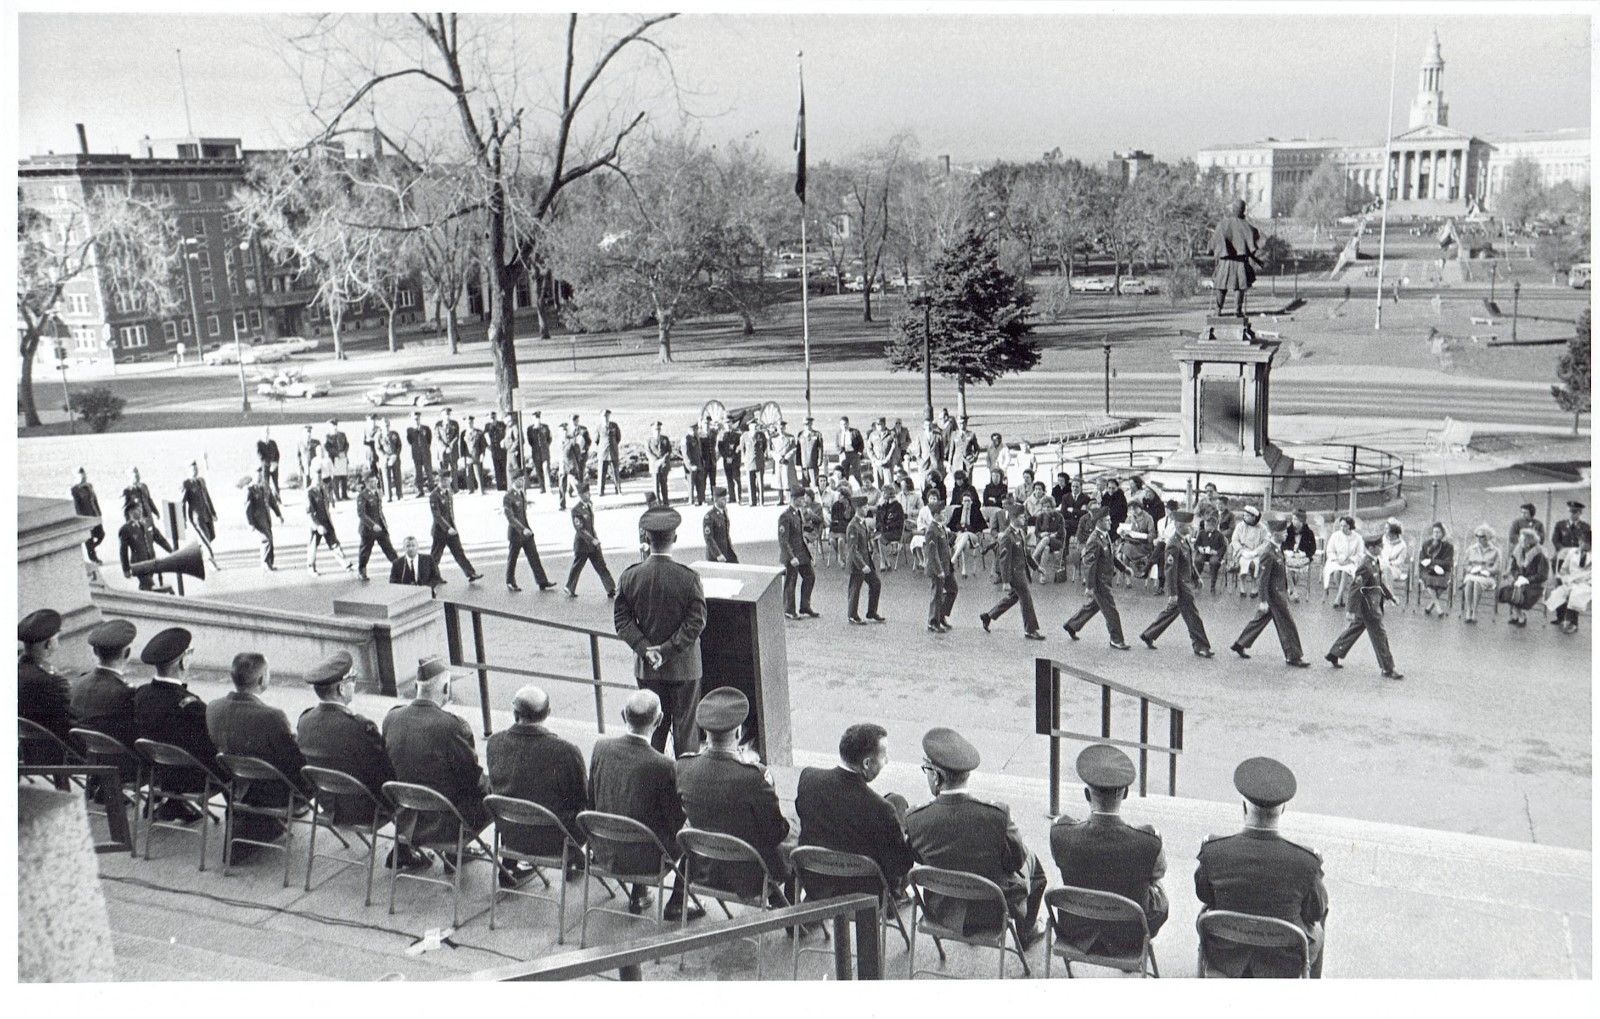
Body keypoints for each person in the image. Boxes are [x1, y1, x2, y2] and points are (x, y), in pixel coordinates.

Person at [906, 727, 1046, 947]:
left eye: (927, 770)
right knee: (1032, 861)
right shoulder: (996, 816)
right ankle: (1027, 931)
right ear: (968, 774)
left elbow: (917, 857)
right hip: (992, 911)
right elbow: (1015, 861)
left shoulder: (915, 819)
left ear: (936, 775)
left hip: (942, 910)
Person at [1195, 757, 1329, 978]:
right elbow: (1315, 912)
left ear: (1244, 806)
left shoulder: (1214, 851)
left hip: (1226, 954)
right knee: (1320, 920)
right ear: (1283, 809)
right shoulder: (1306, 862)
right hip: (1281, 961)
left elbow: (1204, 895)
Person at [1049, 744, 1169, 957]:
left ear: (1087, 794)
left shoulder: (1060, 833)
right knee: (1160, 897)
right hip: (1129, 936)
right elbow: (1158, 874)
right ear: (1125, 794)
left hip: (1076, 932)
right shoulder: (1148, 841)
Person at [589, 690, 699, 919]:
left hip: (604, 850)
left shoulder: (600, 748)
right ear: (659, 721)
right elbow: (676, 822)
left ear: (622, 715)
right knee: (693, 833)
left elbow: (592, 800)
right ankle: (678, 899)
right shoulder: (664, 765)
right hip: (647, 860)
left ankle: (638, 893)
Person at [676, 688, 793, 902]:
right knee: (795, 836)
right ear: (738, 734)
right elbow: (775, 832)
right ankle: (788, 913)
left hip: (704, 869)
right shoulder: (754, 776)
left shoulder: (684, 766)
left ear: (706, 733)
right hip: (750, 877)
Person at [614, 505, 707, 756]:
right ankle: (684, 782)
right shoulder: (688, 578)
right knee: (686, 730)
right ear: (674, 538)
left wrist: (646, 649)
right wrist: (667, 651)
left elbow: (621, 620)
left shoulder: (631, 576)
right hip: (684, 667)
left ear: (647, 538)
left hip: (647, 668)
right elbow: (696, 622)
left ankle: (651, 779)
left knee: (651, 729)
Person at [383, 657, 492, 866]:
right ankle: (457, 852)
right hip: (445, 824)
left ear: (416, 687)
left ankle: (405, 850)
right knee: (493, 793)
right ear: (445, 687)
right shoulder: (452, 726)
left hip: (407, 818)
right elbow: (472, 781)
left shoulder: (392, 718)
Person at [795, 723, 915, 898]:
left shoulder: (809, 778)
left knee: (895, 800)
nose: (887, 760)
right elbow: (901, 866)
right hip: (864, 895)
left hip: (817, 882)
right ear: (866, 763)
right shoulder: (881, 809)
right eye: (884, 756)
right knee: (897, 803)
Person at [296, 651, 403, 842]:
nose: (355, 684)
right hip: (367, 811)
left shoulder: (304, 721)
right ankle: (404, 848)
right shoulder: (359, 727)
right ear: (342, 689)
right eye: (352, 679)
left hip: (329, 807)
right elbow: (386, 773)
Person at [207, 652, 308, 842]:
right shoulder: (272, 716)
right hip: (271, 793)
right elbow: (296, 763)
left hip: (235, 785)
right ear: (262, 680)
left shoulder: (213, 707)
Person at [486, 686, 588, 871]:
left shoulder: (494, 742)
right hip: (555, 840)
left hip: (511, 834)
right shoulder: (565, 751)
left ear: (515, 712)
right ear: (547, 713)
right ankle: (575, 861)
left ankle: (509, 865)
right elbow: (581, 798)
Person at [134, 627, 218, 818]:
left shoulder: (141, 694)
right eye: (189, 653)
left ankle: (174, 804)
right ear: (183, 661)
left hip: (158, 772)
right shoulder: (191, 706)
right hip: (192, 779)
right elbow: (210, 748)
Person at [1231, 517, 1312, 667]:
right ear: (1274, 534)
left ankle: (1240, 643)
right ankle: (1293, 656)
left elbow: (1281, 573)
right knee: (1288, 625)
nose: (1286, 534)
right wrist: (1262, 601)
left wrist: (1289, 589)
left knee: (1259, 621)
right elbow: (1262, 579)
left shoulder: (1275, 549)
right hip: (1274, 596)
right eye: (1283, 532)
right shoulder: (1268, 552)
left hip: (1277, 593)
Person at [1326, 532, 1402, 679]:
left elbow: (1379, 584)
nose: (1382, 547)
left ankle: (1334, 653)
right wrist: (1350, 610)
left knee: (1354, 630)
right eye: (1380, 546)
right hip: (1368, 607)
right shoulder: (1365, 565)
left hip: (1371, 605)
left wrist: (1391, 597)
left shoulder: (1375, 562)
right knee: (1380, 636)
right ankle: (1388, 668)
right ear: (1371, 548)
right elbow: (1355, 588)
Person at [1140, 510, 1214, 657]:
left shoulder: (1184, 540)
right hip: (1181, 586)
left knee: (1171, 612)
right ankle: (1200, 646)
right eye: (1189, 525)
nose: (1191, 528)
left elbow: (1189, 563)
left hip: (1185, 583)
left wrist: (1197, 577)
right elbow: (1170, 571)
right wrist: (1172, 593)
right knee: (1193, 616)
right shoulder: (1173, 544)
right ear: (1180, 525)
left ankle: (1148, 634)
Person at [71, 619, 141, 776]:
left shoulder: (78, 682)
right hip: (119, 765)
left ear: (95, 652)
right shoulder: (126, 692)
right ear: (127, 653)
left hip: (85, 755)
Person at [1065, 508, 1129, 649]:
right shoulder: (1094, 540)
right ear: (1099, 522)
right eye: (1107, 520)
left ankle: (1072, 625)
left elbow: (1111, 557)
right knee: (1111, 610)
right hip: (1099, 581)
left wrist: (1124, 568)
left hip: (1105, 578)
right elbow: (1089, 565)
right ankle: (1116, 639)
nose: (1110, 522)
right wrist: (1089, 586)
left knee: (1094, 606)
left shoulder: (1104, 535)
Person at [19, 609, 77, 762]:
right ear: (48, 644)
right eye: (57, 638)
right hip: (52, 750)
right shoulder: (52, 681)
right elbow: (71, 719)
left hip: (22, 747)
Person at [980, 509, 1046, 640]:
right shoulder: (1007, 536)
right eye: (1021, 516)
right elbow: (1004, 560)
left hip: (1021, 571)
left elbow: (1026, 553)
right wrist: (1005, 581)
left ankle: (988, 616)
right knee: (1026, 600)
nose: (1024, 519)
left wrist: (1037, 567)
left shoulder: (1020, 532)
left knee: (1013, 597)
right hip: (1014, 574)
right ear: (1013, 518)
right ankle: (1030, 630)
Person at [499, 470, 555, 594]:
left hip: (527, 532)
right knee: (512, 558)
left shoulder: (522, 494)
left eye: (523, 480)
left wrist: (526, 529)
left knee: (534, 557)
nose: (522, 482)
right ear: (514, 481)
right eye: (520, 480)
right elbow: (510, 517)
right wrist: (522, 529)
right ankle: (510, 581)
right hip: (516, 533)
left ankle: (542, 581)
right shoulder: (508, 496)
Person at [1209, 197, 1264, 318]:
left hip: (1225, 261)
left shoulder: (1222, 225)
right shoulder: (1248, 227)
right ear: (1243, 210)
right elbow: (1252, 245)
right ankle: (1237, 310)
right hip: (1239, 262)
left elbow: (1213, 244)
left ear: (1233, 210)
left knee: (1221, 286)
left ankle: (1218, 310)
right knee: (1239, 286)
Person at [564, 485, 615, 598]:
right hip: (582, 544)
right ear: (581, 495)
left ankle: (611, 588)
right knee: (577, 567)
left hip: (593, 544)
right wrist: (592, 540)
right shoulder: (576, 510)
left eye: (589, 492)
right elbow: (580, 529)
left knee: (601, 565)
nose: (589, 495)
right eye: (586, 493)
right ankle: (569, 587)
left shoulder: (589, 505)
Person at [428, 475, 481, 582]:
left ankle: (471, 573)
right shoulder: (434, 495)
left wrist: (452, 527)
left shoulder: (448, 492)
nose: (448, 482)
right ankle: (430, 577)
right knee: (435, 557)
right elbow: (437, 515)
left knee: (459, 552)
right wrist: (448, 528)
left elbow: (450, 513)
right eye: (445, 480)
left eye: (449, 479)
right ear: (440, 480)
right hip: (440, 531)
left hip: (451, 530)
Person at [779, 487, 819, 620]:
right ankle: (789, 609)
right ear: (794, 499)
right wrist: (791, 557)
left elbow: (800, 534)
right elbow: (783, 540)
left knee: (810, 577)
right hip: (792, 555)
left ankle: (805, 605)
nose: (803, 501)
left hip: (801, 553)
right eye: (801, 499)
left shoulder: (798, 513)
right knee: (791, 581)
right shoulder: (785, 516)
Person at [1497, 527, 1549, 627]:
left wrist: (1526, 580)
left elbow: (1542, 575)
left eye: (1521, 540)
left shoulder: (1540, 554)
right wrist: (1517, 576)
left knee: (1518, 594)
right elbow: (1513, 568)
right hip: (1519, 582)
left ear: (1528, 542)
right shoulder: (1519, 551)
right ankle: (1518, 615)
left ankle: (1520, 616)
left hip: (1534, 585)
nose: (1519, 542)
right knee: (1507, 592)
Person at [305, 471, 354, 575]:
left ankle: (345, 564)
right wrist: (317, 526)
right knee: (313, 545)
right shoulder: (309, 492)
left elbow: (326, 504)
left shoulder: (322, 489)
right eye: (317, 479)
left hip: (326, 521)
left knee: (334, 543)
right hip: (316, 524)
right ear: (312, 478)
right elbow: (309, 512)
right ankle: (311, 567)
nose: (319, 481)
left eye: (320, 478)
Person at [922, 493, 957, 632]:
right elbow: (932, 553)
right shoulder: (931, 530)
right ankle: (933, 621)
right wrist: (939, 570)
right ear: (936, 514)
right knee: (936, 594)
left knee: (953, 590)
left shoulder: (941, 527)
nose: (945, 515)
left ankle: (941, 615)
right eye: (942, 513)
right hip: (938, 568)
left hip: (946, 567)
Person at [119, 503, 175, 589]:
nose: (140, 511)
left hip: (151, 561)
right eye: (137, 509)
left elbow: (160, 539)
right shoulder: (126, 529)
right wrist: (125, 569)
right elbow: (123, 551)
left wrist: (172, 551)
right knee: (149, 585)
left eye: (141, 508)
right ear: (130, 512)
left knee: (146, 587)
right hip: (139, 564)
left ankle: (142, 598)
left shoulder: (148, 523)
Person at [845, 505, 885, 625]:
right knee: (855, 588)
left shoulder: (862, 523)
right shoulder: (853, 525)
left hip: (866, 560)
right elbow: (853, 550)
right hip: (857, 563)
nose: (867, 508)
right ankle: (852, 615)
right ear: (858, 509)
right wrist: (862, 565)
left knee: (876, 583)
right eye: (864, 507)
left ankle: (872, 611)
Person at [355, 475, 398, 582]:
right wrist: (372, 525)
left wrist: (383, 523)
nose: (375, 483)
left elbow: (379, 510)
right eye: (373, 481)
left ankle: (399, 567)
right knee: (365, 551)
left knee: (389, 549)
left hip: (380, 527)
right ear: (367, 482)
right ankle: (362, 571)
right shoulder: (362, 496)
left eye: (376, 481)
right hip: (368, 530)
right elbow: (361, 514)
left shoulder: (377, 493)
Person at [1545, 537, 1592, 634]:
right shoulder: (1571, 552)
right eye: (1583, 542)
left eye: (1587, 543)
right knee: (1560, 592)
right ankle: (1561, 618)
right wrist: (1565, 578)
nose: (1584, 545)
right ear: (1580, 541)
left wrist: (1587, 581)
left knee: (1576, 594)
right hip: (1570, 580)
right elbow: (1564, 569)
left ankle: (1572, 623)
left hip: (1586, 583)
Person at [1460, 523, 1502, 623]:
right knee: (1470, 581)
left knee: (1477, 583)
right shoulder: (1471, 549)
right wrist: (1471, 569)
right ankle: (1469, 609)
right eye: (1477, 536)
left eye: (1482, 536)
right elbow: (1465, 563)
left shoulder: (1495, 551)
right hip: (1473, 574)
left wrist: (1487, 571)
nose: (1479, 539)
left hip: (1487, 576)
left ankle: (1474, 611)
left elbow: (1497, 567)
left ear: (1488, 537)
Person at [1417, 522, 1455, 616]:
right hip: (1427, 570)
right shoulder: (1426, 544)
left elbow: (1448, 563)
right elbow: (1422, 559)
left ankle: (1430, 605)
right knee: (1428, 580)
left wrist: (1432, 562)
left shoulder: (1448, 547)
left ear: (1443, 533)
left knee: (1443, 581)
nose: (1436, 534)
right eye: (1434, 532)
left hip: (1443, 570)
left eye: (1438, 532)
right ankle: (1438, 607)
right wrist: (1429, 564)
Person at [244, 477, 282, 572]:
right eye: (258, 475)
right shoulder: (250, 490)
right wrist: (250, 523)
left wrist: (279, 515)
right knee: (266, 540)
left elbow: (272, 502)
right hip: (257, 521)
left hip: (266, 520)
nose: (260, 478)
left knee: (270, 541)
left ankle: (269, 563)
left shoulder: (265, 488)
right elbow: (247, 508)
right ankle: (265, 563)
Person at [1322, 515, 1362, 607]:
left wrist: (1350, 560)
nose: (1342, 528)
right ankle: (1341, 597)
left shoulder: (1357, 538)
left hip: (1350, 562)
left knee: (1344, 572)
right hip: (1337, 560)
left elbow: (1360, 554)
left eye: (1345, 526)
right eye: (1341, 526)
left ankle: (1338, 598)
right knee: (1336, 572)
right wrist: (1337, 559)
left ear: (1350, 526)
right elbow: (1330, 550)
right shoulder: (1335, 536)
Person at [947, 489, 987, 580]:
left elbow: (983, 525)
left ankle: (953, 559)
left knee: (966, 535)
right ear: (961, 502)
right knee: (965, 543)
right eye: (965, 501)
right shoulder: (957, 511)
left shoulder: (976, 511)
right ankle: (964, 569)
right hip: (960, 535)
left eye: (968, 501)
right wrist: (959, 527)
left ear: (972, 501)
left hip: (973, 536)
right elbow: (950, 525)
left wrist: (970, 528)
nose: (967, 503)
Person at [1230, 505, 1269, 598]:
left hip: (1256, 552)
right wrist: (1241, 550)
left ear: (1254, 517)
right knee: (1243, 562)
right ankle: (1242, 584)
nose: (1245, 517)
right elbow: (1234, 540)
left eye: (1247, 516)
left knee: (1254, 564)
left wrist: (1256, 552)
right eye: (1244, 515)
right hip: (1242, 551)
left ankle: (1254, 585)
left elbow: (1266, 542)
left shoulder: (1262, 528)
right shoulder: (1240, 526)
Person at [71, 467, 106, 563]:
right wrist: (83, 520)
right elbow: (77, 506)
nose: (83, 477)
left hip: (95, 515)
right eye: (80, 475)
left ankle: (92, 549)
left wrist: (99, 513)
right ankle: (93, 558)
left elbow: (95, 500)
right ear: (76, 476)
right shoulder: (74, 490)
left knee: (101, 535)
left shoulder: (89, 486)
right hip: (86, 518)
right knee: (89, 539)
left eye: (84, 474)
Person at [1194, 511, 1228, 594]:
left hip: (1214, 554)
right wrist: (1199, 548)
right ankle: (1196, 582)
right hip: (1203, 553)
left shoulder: (1219, 535)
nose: (1204, 527)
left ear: (1212, 526)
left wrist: (1216, 552)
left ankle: (1213, 585)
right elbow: (1196, 544)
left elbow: (1224, 547)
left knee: (1214, 562)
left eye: (1206, 525)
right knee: (1197, 561)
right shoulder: (1202, 533)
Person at [703, 487, 737, 563]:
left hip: (727, 551)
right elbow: (709, 538)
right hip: (716, 556)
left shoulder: (724, 511)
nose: (725, 501)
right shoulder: (709, 516)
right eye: (722, 499)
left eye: (725, 499)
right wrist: (718, 555)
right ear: (715, 500)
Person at [877, 485, 906, 570]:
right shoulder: (883, 505)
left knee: (879, 538)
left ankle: (883, 561)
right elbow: (879, 520)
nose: (882, 495)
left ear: (888, 494)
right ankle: (887, 562)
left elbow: (899, 523)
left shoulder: (897, 506)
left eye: (883, 493)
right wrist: (881, 507)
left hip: (895, 532)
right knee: (877, 536)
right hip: (884, 531)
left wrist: (886, 527)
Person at [406, 410, 434, 497]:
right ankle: (420, 491)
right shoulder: (409, 430)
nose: (416, 420)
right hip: (416, 454)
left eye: (417, 418)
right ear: (411, 419)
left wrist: (424, 448)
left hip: (425, 453)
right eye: (414, 419)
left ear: (419, 418)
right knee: (418, 473)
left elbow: (429, 440)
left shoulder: (426, 428)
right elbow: (410, 441)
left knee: (429, 471)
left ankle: (432, 489)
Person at [645, 420, 673, 506]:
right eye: (656, 429)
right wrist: (657, 461)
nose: (657, 431)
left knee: (664, 485)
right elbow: (648, 453)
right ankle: (658, 502)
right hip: (654, 466)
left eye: (659, 429)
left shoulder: (665, 439)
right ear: (652, 430)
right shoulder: (648, 441)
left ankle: (666, 502)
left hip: (664, 466)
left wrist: (664, 459)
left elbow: (669, 450)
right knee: (655, 486)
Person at [742, 420, 768, 507]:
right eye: (752, 426)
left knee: (760, 483)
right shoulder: (745, 436)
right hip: (749, 462)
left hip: (759, 461)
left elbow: (764, 446)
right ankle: (752, 502)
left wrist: (761, 456)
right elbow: (743, 449)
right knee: (750, 483)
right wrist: (745, 459)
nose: (754, 427)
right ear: (749, 427)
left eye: (755, 425)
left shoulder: (761, 435)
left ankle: (761, 501)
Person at [526, 410, 553, 495]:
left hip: (545, 452)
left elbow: (549, 439)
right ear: (533, 418)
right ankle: (542, 487)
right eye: (535, 418)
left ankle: (548, 487)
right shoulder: (530, 429)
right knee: (538, 470)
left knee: (546, 470)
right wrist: (536, 447)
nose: (537, 419)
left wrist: (545, 446)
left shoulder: (545, 427)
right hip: (536, 452)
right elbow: (530, 441)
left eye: (538, 417)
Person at [435, 408, 462, 489]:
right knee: (444, 471)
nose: (447, 416)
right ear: (442, 415)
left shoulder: (455, 424)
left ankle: (455, 488)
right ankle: (445, 488)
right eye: (445, 414)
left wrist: (450, 446)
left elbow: (457, 436)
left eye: (448, 414)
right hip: (442, 452)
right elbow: (437, 437)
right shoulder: (438, 425)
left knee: (454, 470)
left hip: (453, 450)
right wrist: (445, 447)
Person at [598, 409, 624, 496]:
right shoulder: (599, 427)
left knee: (616, 472)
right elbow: (596, 440)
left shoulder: (614, 425)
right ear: (601, 417)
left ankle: (618, 490)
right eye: (604, 416)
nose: (606, 417)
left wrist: (614, 446)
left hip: (613, 452)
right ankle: (601, 491)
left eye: (607, 416)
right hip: (603, 453)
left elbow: (618, 438)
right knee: (602, 473)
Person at [717, 421, 743, 505]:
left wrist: (732, 457)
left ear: (732, 424)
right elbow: (720, 448)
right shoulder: (722, 436)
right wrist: (726, 457)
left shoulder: (738, 435)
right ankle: (732, 498)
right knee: (729, 479)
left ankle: (739, 497)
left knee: (736, 479)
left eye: (729, 423)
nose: (728, 425)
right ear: (724, 425)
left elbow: (739, 447)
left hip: (735, 461)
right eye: (726, 424)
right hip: (726, 461)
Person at [1378, 518, 1409, 587]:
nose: (1385, 532)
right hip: (1381, 565)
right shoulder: (1384, 539)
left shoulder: (1402, 545)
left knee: (1384, 575)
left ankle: (1388, 594)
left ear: (1394, 533)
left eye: (1387, 529)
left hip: (1394, 569)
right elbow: (1380, 553)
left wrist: (1390, 563)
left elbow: (1400, 560)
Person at [774, 421, 799, 503]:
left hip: (787, 462)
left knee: (788, 480)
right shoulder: (773, 438)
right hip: (779, 463)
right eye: (779, 428)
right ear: (777, 428)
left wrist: (786, 457)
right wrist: (778, 458)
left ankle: (789, 499)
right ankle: (780, 500)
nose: (781, 429)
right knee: (779, 481)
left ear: (785, 428)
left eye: (782, 428)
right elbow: (771, 451)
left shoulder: (790, 437)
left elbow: (794, 449)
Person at [682, 422, 707, 506]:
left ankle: (701, 500)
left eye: (695, 429)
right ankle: (691, 501)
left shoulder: (697, 438)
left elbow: (699, 451)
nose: (694, 431)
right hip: (691, 466)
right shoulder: (686, 439)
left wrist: (701, 462)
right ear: (689, 430)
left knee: (700, 483)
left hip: (699, 464)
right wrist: (690, 465)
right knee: (691, 484)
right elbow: (685, 454)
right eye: (693, 430)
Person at [484, 410, 509, 492]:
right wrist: (488, 447)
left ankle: (505, 485)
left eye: (494, 417)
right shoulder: (487, 426)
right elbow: (484, 437)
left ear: (496, 417)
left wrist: (505, 442)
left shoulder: (502, 424)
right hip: (494, 449)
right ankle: (499, 486)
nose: (492, 419)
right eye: (491, 418)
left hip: (502, 449)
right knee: (497, 468)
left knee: (503, 467)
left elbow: (507, 434)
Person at [462, 414, 488, 493]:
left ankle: (481, 489)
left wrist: (483, 454)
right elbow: (461, 446)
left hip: (476, 455)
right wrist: (462, 456)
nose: (469, 424)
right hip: (468, 456)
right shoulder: (463, 433)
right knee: (468, 473)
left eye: (470, 422)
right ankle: (470, 489)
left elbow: (483, 444)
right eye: (467, 422)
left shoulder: (479, 432)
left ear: (473, 423)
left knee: (478, 473)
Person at [798, 417, 825, 491]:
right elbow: (798, 449)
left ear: (811, 424)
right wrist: (798, 462)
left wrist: (820, 459)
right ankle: (807, 500)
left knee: (814, 483)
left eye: (808, 424)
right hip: (804, 463)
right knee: (805, 484)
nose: (807, 426)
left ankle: (816, 500)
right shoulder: (801, 434)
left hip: (813, 463)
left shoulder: (817, 434)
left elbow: (820, 448)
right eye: (805, 424)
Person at [381, 418, 405, 501]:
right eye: (384, 425)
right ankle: (388, 496)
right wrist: (386, 457)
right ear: (381, 426)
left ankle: (399, 495)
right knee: (386, 478)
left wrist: (395, 455)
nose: (386, 427)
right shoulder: (379, 435)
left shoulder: (394, 434)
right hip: (385, 460)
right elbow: (378, 448)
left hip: (395, 458)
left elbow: (399, 445)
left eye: (387, 425)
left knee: (397, 476)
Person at [836, 416, 864, 484]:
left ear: (848, 423)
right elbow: (837, 444)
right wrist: (840, 452)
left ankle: (862, 487)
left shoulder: (855, 432)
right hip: (844, 454)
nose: (844, 426)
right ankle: (845, 488)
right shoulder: (839, 433)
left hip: (853, 454)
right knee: (844, 474)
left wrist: (859, 453)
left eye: (845, 424)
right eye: (842, 424)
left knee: (857, 474)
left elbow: (861, 443)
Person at [257, 426, 282, 498]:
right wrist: (269, 464)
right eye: (265, 432)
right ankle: (267, 500)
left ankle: (278, 499)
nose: (267, 434)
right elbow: (261, 456)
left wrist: (275, 463)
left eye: (268, 432)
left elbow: (277, 454)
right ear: (262, 433)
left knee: (276, 484)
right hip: (265, 467)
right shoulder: (259, 444)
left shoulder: (272, 442)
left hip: (274, 467)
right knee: (266, 484)